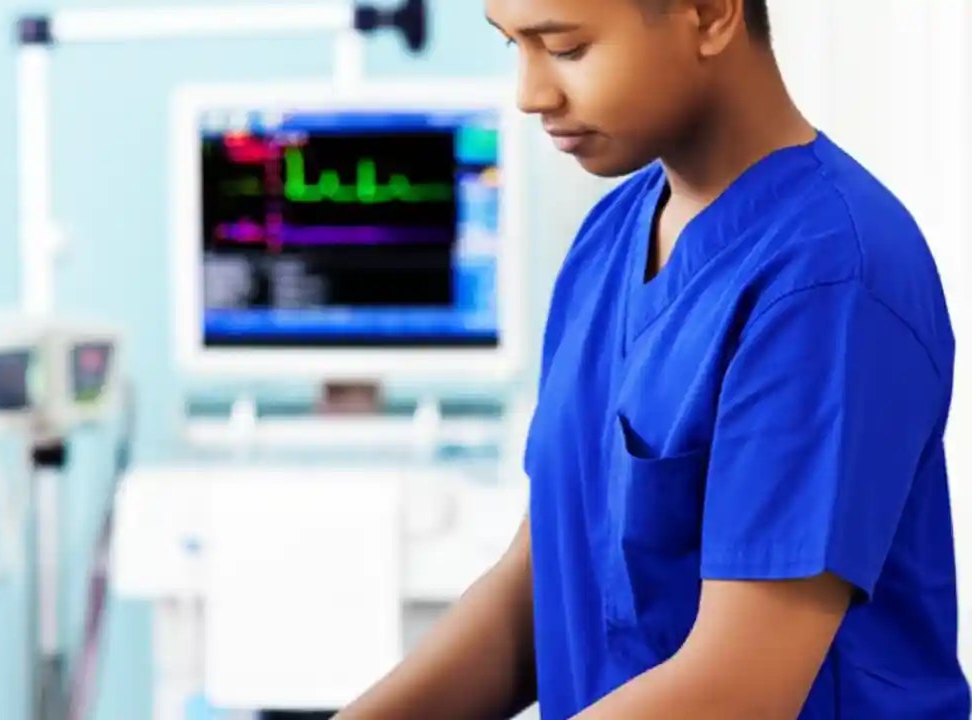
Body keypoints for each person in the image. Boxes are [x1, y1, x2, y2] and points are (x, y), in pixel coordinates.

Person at [335, 0, 972, 717]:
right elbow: (542, 584)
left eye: (565, 48)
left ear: (708, 14)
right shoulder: (610, 235)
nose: (529, 93)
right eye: (513, 45)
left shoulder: (830, 279)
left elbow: (739, 689)